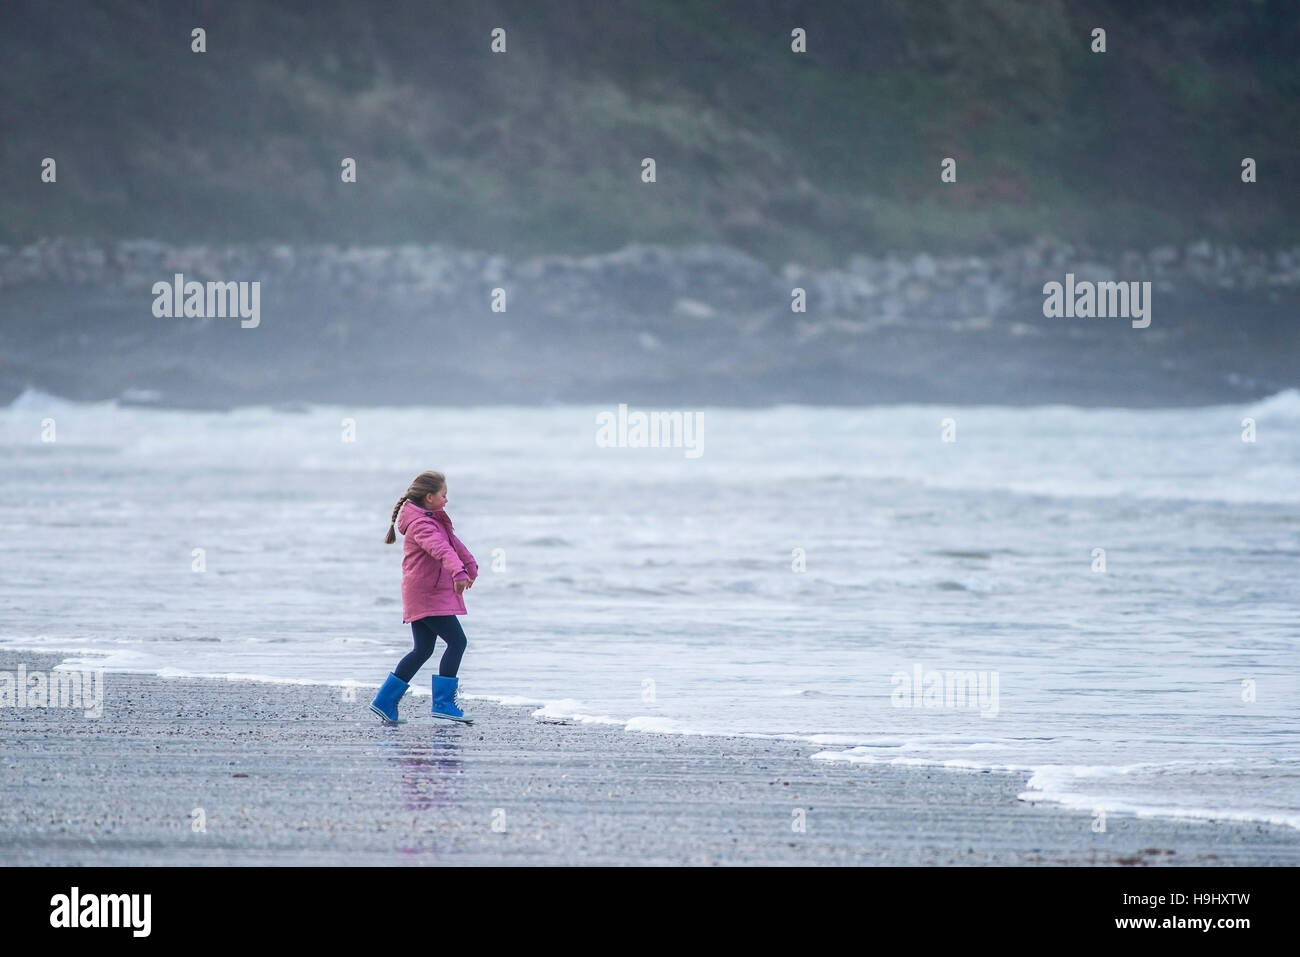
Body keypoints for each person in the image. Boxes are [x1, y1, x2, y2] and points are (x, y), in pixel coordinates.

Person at [369, 470, 477, 725]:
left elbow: (453, 544)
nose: (447, 500)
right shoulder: (422, 524)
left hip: (422, 592)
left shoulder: (430, 518)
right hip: (427, 594)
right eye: (443, 495)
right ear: (429, 497)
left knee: (423, 649)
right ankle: (444, 704)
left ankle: (385, 701)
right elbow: (441, 550)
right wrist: (459, 572)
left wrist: (469, 566)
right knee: (457, 642)